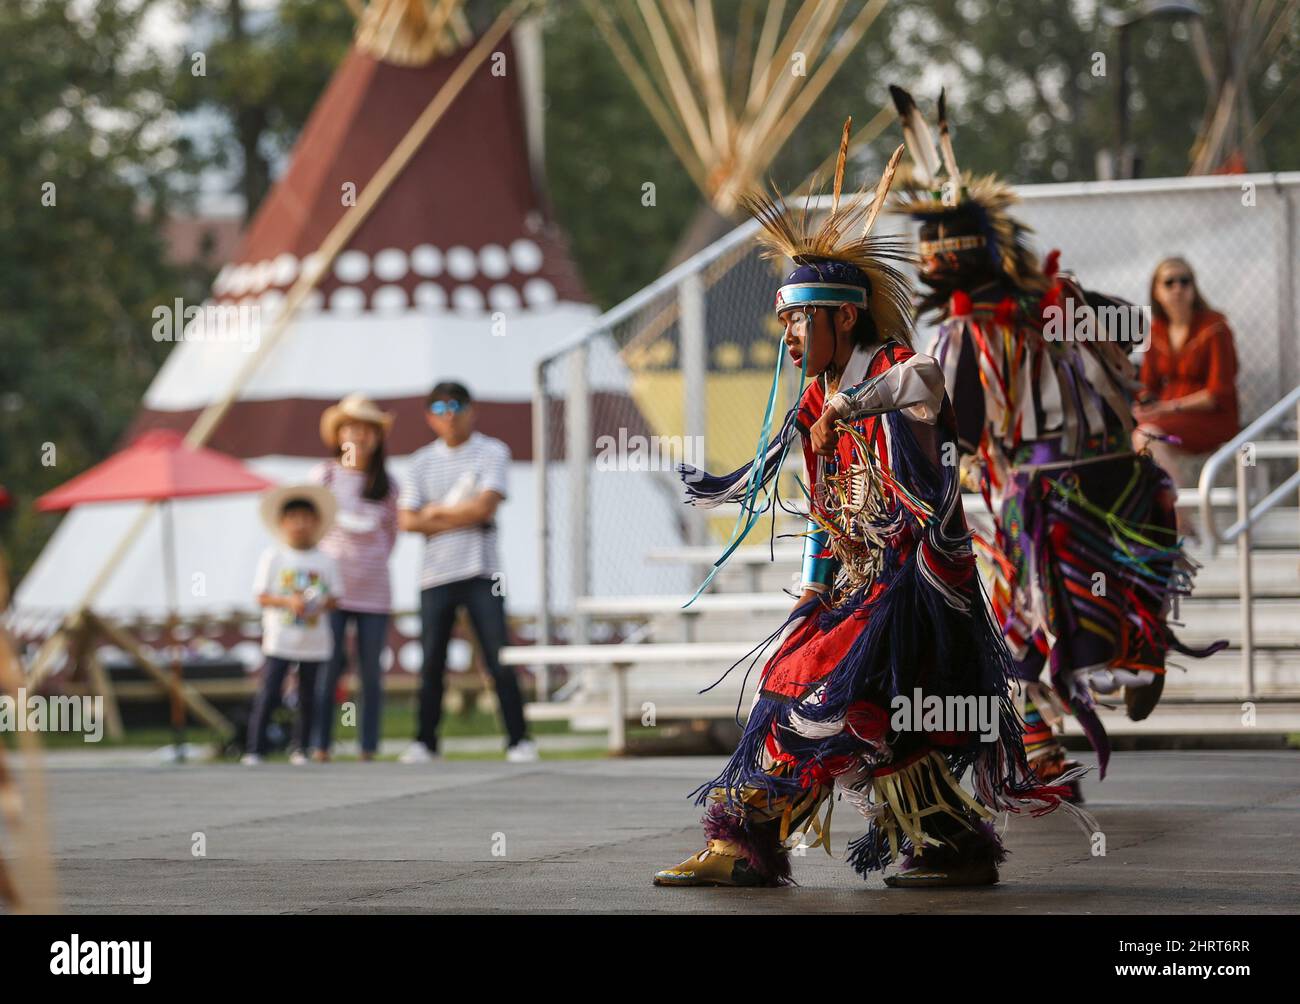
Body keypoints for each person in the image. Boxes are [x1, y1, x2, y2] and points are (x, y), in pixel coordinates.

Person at [653, 122, 1086, 890]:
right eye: (783, 319)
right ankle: (949, 845)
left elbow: (927, 379)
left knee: (822, 699)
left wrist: (851, 403)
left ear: (842, 316)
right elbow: (829, 513)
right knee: (881, 724)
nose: (786, 334)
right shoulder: (814, 399)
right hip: (864, 584)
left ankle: (747, 844)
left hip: (920, 585)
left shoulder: (885, 369)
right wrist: (817, 585)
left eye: (798, 319)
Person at [887, 86, 1226, 796]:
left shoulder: (964, 332)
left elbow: (960, 427)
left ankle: (1042, 743)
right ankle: (1138, 655)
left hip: (1046, 492)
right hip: (1118, 478)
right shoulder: (1062, 303)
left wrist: (936, 471)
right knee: (1120, 581)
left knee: (1014, 614)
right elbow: (1126, 356)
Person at [397, 381, 537, 764]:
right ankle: (425, 740)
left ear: (470, 409)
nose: (450, 415)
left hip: (482, 571)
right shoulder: (420, 461)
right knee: (431, 662)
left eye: (456, 406)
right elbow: (407, 521)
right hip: (435, 574)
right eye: (440, 409)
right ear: (429, 417)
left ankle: (518, 739)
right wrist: (455, 517)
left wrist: (435, 513)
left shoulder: (491, 451)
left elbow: (484, 510)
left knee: (497, 656)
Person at [310, 394, 400, 763]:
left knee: (371, 673)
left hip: (374, 592)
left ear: (377, 437)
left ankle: (368, 746)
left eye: (367, 429)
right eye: (352, 428)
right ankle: (319, 744)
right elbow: (311, 529)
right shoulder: (324, 476)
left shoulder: (388, 485)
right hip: (332, 592)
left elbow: (393, 532)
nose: (359, 436)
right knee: (327, 669)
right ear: (338, 434)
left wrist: (370, 561)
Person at [243, 485, 340, 766]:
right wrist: (289, 602)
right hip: (280, 638)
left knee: (309, 694)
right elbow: (261, 595)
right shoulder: (274, 557)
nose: (300, 524)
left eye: (306, 517)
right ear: (283, 523)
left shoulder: (326, 560)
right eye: (293, 518)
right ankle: (255, 748)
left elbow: (335, 597)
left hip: (313, 639)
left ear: (317, 523)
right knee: (270, 691)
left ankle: (301, 747)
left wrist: (316, 603)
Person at [1135, 256, 1240, 492]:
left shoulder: (1215, 328)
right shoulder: (1156, 331)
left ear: (1194, 287)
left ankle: (1179, 517)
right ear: (1156, 291)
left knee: (1147, 434)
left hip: (1212, 419)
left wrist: (1169, 406)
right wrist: (1143, 404)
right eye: (1169, 282)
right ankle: (1156, 513)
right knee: (1129, 433)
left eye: (1185, 281)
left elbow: (1219, 393)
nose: (1178, 288)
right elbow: (1146, 385)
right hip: (1168, 420)